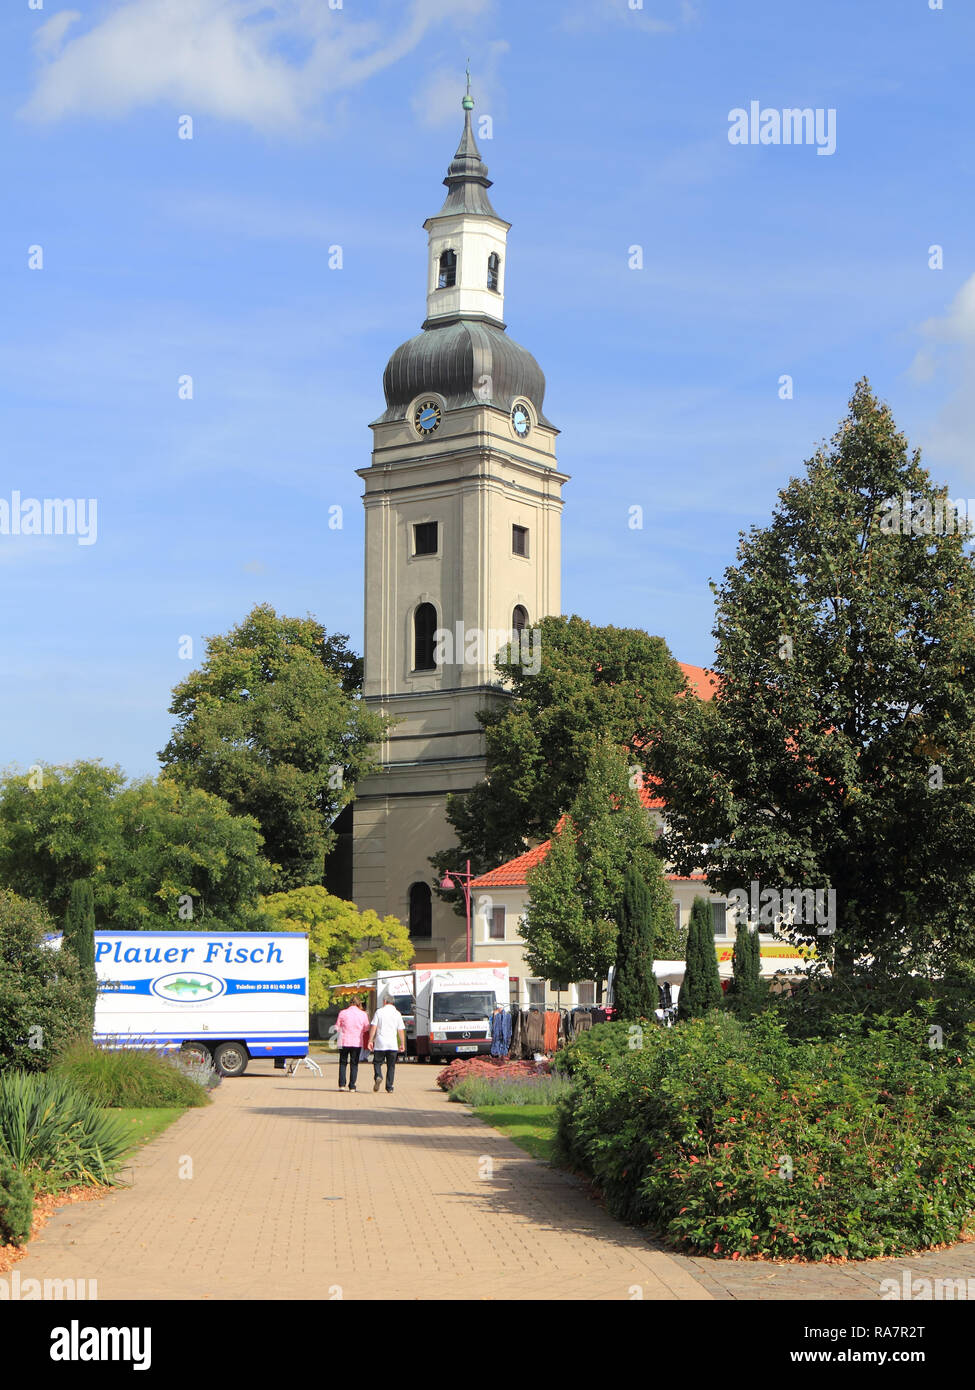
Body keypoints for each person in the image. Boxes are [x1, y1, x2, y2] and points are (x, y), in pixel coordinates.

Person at [367, 996, 406, 1093]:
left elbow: (374, 1027)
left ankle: (378, 1075)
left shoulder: (379, 1012)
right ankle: (389, 1087)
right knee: (391, 1065)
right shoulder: (397, 1014)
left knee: (377, 1062)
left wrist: (370, 1040)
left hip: (380, 1042)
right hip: (392, 1044)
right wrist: (402, 1043)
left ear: (384, 1002)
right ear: (393, 1003)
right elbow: (400, 1030)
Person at [336, 996, 370, 1091]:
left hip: (344, 1041)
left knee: (343, 1062)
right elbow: (366, 1027)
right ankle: (352, 1086)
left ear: (350, 1003)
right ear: (359, 1004)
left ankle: (342, 1085)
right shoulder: (363, 1014)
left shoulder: (343, 1013)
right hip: (357, 1041)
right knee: (354, 1063)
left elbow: (337, 1026)